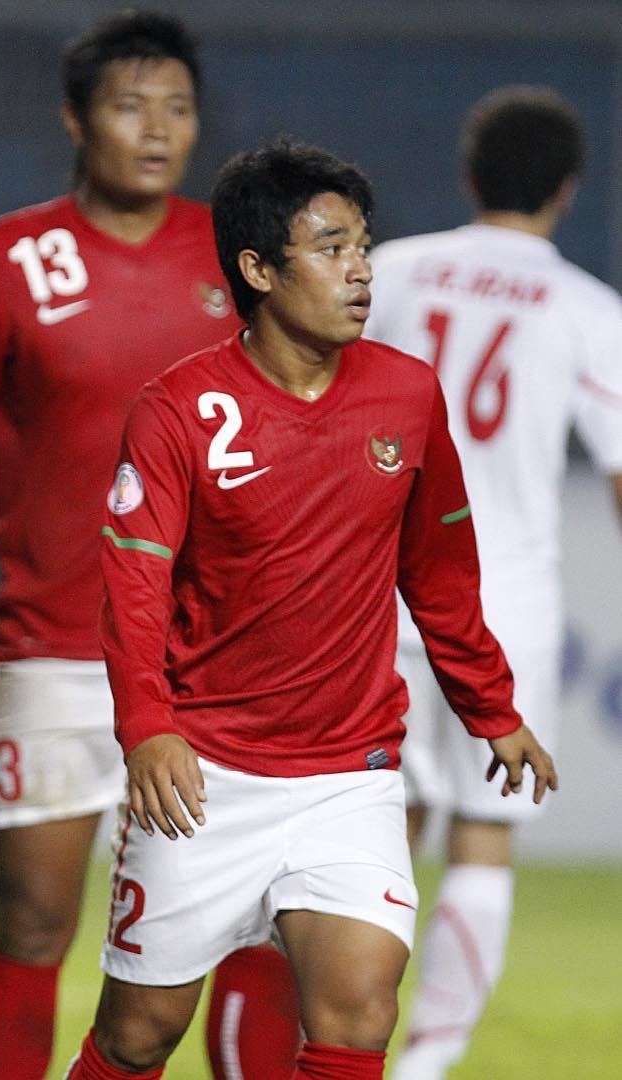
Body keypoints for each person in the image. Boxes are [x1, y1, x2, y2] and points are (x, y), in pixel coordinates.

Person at [62, 138, 558, 1080]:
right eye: (331, 249)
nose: (361, 270)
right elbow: (135, 583)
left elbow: (440, 574)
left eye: (363, 246)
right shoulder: (179, 408)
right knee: (139, 1035)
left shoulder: (407, 394)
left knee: (359, 1016)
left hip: (350, 775)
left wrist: (492, 709)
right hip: (204, 776)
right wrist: (148, 728)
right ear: (258, 269)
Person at [0, 14, 291, 1078]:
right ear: (76, 119)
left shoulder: (240, 258)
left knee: (255, 925)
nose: (157, 130)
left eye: (178, 108)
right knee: (33, 925)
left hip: (217, 656)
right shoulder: (5, 259)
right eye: (130, 106)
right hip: (58, 644)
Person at [359, 86, 622, 1080]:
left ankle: (339, 1041)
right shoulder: (588, 310)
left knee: (371, 827)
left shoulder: (391, 271)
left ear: (469, 175)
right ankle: (425, 1065)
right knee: (485, 831)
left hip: (374, 595)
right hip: (502, 607)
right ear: (569, 189)